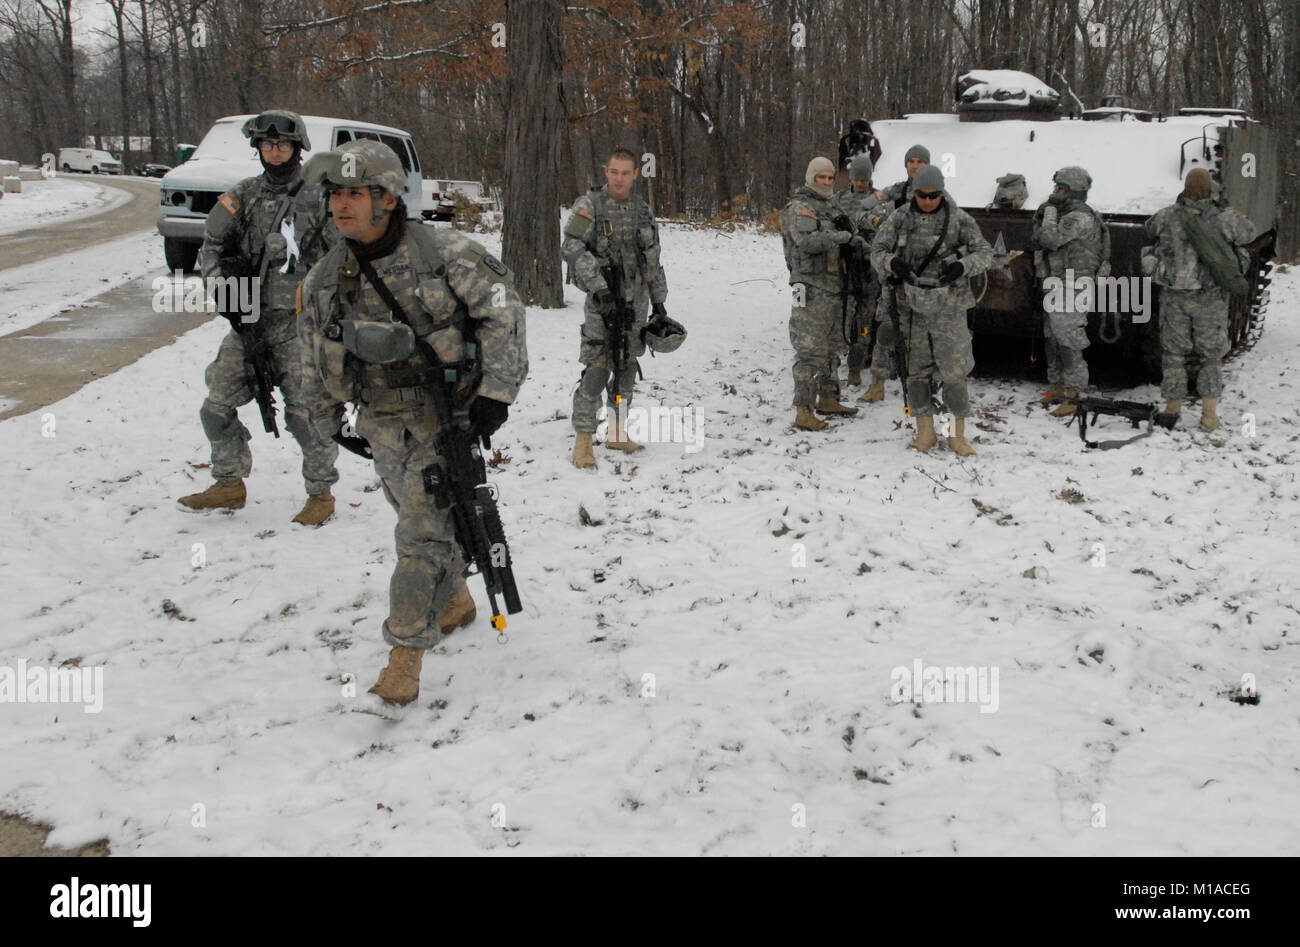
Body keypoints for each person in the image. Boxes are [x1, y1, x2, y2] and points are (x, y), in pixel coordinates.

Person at [297, 140, 528, 705]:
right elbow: (310, 351)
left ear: (388, 199)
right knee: (415, 517)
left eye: (356, 194)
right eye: (337, 195)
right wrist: (330, 423)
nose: (342, 206)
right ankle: (454, 600)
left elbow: (503, 309)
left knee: (419, 536)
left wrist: (495, 396)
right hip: (380, 423)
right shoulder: (330, 276)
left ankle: (403, 656)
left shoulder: (442, 252)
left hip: (445, 417)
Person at [178, 110, 339, 524]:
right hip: (249, 321)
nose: (274, 151)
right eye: (267, 145)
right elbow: (211, 245)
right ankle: (229, 483)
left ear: (296, 148)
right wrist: (226, 292)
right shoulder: (243, 195)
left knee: (304, 416)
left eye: (282, 144)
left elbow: (344, 258)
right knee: (215, 406)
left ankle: (321, 493)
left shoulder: (319, 197)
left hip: (299, 327)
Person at [870, 164, 993, 455]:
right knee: (916, 373)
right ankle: (925, 434)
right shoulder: (899, 218)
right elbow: (877, 251)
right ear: (914, 193)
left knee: (953, 373)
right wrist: (891, 263)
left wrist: (962, 266)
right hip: (911, 308)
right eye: (922, 195)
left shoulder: (959, 219)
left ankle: (955, 436)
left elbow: (985, 253)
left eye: (933, 195)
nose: (927, 201)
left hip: (949, 308)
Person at [562, 147, 671, 468]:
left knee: (625, 369)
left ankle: (617, 430)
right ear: (605, 171)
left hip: (635, 303)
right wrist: (599, 288)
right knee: (597, 368)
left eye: (626, 172)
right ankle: (583, 437)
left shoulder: (642, 210)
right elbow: (571, 246)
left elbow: (653, 257)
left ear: (635, 174)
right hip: (602, 302)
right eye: (614, 172)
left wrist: (659, 302)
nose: (620, 178)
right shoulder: (589, 206)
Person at [1144, 168, 1256, 431]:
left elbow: (1149, 228)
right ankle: (1209, 415)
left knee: (1173, 354)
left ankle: (1172, 409)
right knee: (1211, 357)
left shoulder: (1168, 215)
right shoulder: (1224, 217)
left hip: (1175, 297)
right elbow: (1249, 233)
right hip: (1211, 298)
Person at [780, 156, 866, 430]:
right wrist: (840, 238)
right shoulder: (799, 208)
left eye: (830, 177)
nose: (827, 182)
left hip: (835, 287)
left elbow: (849, 233)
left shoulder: (832, 207)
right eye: (821, 178)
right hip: (810, 288)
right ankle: (803, 410)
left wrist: (859, 243)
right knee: (809, 350)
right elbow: (807, 242)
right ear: (811, 178)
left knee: (832, 346)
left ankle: (828, 398)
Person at [1031, 166, 1109, 417]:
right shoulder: (1068, 213)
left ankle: (1075, 395)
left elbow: (1050, 239)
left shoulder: (1080, 217)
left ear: (1073, 191)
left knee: (1068, 340)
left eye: (1060, 188)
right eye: (1055, 187)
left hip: (1074, 285)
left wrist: (1050, 212)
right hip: (1058, 283)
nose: (1054, 192)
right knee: (1052, 337)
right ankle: (1056, 388)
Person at [865, 144, 932, 404]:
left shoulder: (938, 195)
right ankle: (877, 384)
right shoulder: (897, 191)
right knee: (886, 328)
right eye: (911, 161)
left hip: (925, 278)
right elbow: (865, 207)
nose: (915, 166)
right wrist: (879, 222)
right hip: (895, 273)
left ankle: (920, 388)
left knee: (923, 334)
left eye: (920, 161)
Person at [831, 153, 888, 388]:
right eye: (857, 178)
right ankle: (832, 364)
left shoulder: (879, 200)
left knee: (865, 318)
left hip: (869, 269)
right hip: (844, 270)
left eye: (865, 179)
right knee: (841, 316)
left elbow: (885, 232)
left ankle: (856, 365)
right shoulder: (838, 199)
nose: (861, 183)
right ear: (851, 178)